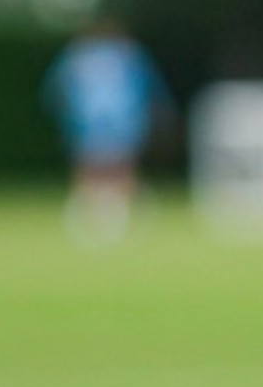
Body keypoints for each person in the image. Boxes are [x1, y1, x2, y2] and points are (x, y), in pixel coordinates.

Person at [41, 15, 174, 241]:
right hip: (106, 122)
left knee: (109, 169)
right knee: (103, 168)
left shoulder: (89, 56)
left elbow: (54, 90)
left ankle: (113, 214)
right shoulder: (120, 55)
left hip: (105, 121)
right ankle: (101, 215)